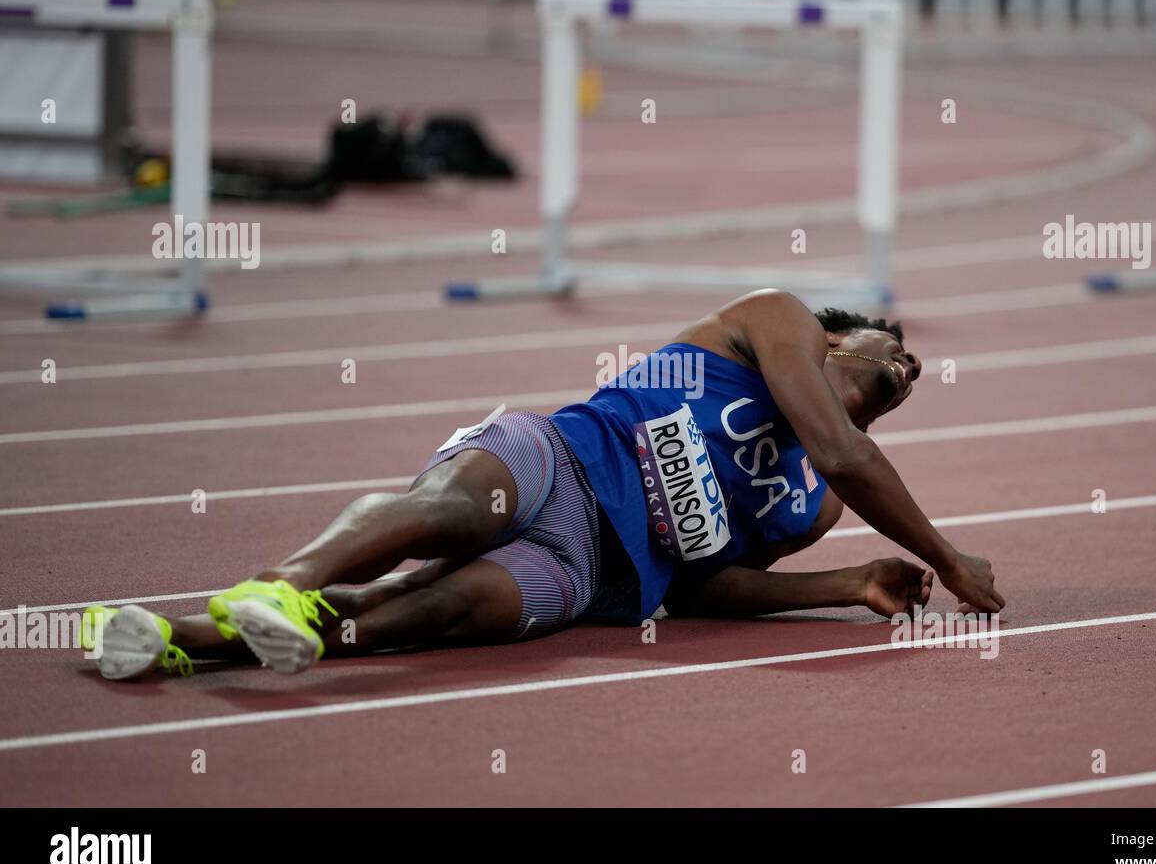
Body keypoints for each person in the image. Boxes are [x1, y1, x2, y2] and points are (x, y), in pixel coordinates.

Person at [83, 289, 1003, 680]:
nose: (913, 365)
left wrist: (843, 584)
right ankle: (273, 586)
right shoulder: (778, 323)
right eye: (900, 348)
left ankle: (181, 641)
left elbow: (702, 588)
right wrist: (948, 558)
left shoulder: (818, 504)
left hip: (597, 578)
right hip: (560, 459)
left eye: (919, 373)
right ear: (840, 342)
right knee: (445, 515)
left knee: (418, 613)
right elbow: (844, 449)